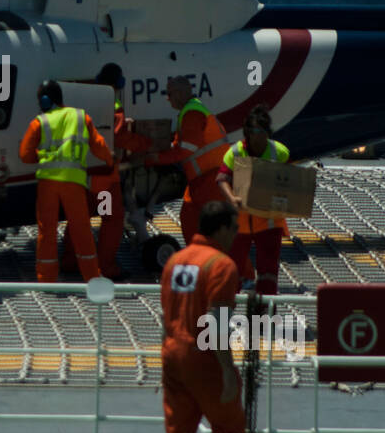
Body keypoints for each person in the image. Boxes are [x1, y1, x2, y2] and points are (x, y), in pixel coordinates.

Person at [158, 200, 245, 433]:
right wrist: (227, 372)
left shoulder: (175, 261)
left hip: (172, 355)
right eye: (234, 228)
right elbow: (216, 323)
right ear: (221, 229)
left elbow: (167, 313)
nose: (237, 234)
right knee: (230, 430)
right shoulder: (222, 265)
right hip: (203, 359)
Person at [62, 63, 151, 280]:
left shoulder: (83, 99)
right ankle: (105, 267)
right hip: (103, 180)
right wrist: (144, 143)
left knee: (80, 218)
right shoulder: (113, 102)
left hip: (81, 173)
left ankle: (70, 261)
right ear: (119, 84)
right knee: (111, 218)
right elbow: (118, 136)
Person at [18, 80, 113, 282]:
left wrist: (43, 157)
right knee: (81, 230)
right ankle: (92, 277)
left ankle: (46, 278)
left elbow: (25, 155)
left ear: (44, 100)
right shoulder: (80, 117)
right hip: (73, 183)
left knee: (47, 231)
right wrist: (110, 159)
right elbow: (98, 145)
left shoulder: (39, 122)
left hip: (48, 184)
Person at [217, 104, 291, 297]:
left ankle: (263, 320)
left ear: (268, 132)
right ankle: (224, 317)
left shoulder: (280, 152)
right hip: (240, 224)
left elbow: (290, 182)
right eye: (253, 131)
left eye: (261, 130)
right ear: (247, 132)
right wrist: (232, 198)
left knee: (268, 275)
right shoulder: (234, 152)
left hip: (269, 223)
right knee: (232, 272)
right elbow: (221, 178)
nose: (257, 135)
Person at [148, 76, 230, 244]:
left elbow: (185, 150)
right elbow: (182, 145)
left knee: (210, 227)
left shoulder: (192, 113)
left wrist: (154, 158)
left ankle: (214, 261)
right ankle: (200, 257)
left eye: (168, 93)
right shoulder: (191, 111)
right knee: (190, 218)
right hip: (204, 180)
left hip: (211, 179)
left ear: (178, 93)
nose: (167, 98)